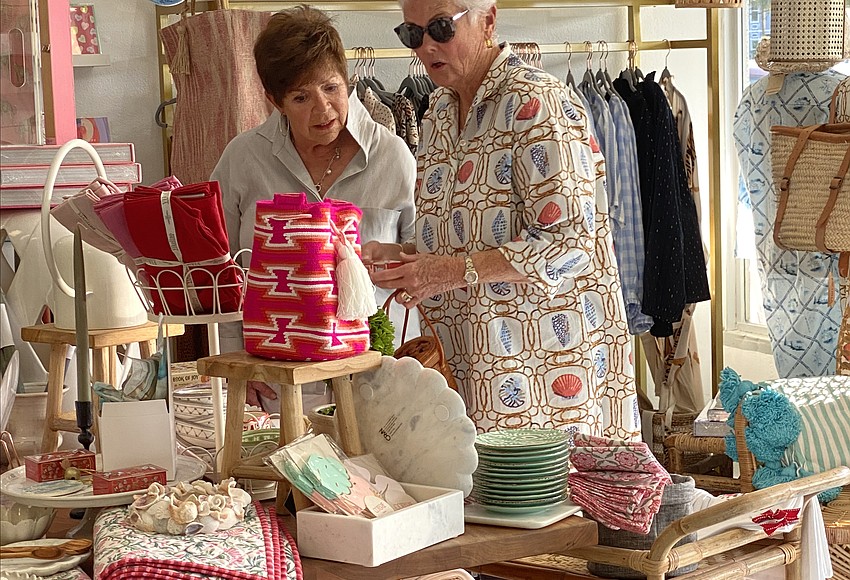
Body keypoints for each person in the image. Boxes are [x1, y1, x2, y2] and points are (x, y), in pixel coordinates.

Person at [368, 0, 640, 439]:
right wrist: (404, 259)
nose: (426, 47)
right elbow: (460, 240)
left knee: (543, 506)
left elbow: (569, 241)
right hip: (464, 364)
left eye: (440, 28)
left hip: (542, 375)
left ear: (488, 19)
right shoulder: (437, 111)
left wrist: (446, 272)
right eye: (412, 34)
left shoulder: (539, 102)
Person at [211, 6, 416, 409]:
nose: (322, 110)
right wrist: (236, 364)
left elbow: (420, 261)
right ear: (274, 100)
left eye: (331, 88)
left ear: (348, 80)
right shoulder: (242, 159)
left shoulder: (393, 157)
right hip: (274, 380)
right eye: (301, 97)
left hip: (375, 376)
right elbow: (222, 272)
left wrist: (402, 268)